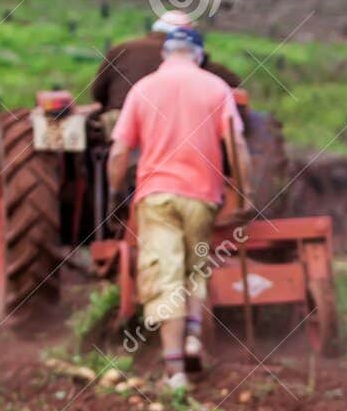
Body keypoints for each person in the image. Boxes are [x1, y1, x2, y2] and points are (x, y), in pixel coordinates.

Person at [107, 26, 251, 392]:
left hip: (156, 195)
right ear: (199, 55)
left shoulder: (143, 89)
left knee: (166, 276)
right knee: (194, 269)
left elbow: (120, 151)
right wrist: (244, 193)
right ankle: (192, 337)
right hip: (203, 195)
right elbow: (236, 142)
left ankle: (175, 374)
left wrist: (114, 191)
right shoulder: (217, 88)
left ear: (165, 55)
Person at [90, 10, 242, 114]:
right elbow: (233, 82)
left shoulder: (121, 48)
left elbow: (97, 92)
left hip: (115, 124)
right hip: (166, 126)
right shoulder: (188, 55)